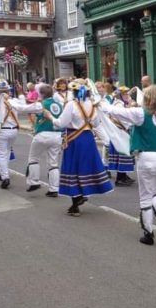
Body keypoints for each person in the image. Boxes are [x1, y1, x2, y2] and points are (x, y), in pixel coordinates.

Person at [102, 85, 156, 245]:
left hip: (148, 157)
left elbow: (117, 112)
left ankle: (148, 233)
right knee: (153, 190)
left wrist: (100, 104)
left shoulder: (141, 114)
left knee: (145, 196)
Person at [47, 79, 114, 216]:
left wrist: (50, 118)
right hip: (88, 138)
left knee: (73, 168)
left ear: (74, 92)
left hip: (74, 139)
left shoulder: (71, 105)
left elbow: (61, 123)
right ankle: (84, 193)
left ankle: (75, 203)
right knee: (86, 167)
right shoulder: (92, 104)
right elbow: (95, 123)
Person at [10, 83, 63, 197]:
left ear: (42, 94)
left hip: (42, 134)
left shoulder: (40, 105)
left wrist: (10, 101)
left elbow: (22, 108)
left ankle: (34, 182)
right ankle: (54, 189)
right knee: (53, 163)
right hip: (57, 135)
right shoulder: (59, 104)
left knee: (33, 158)